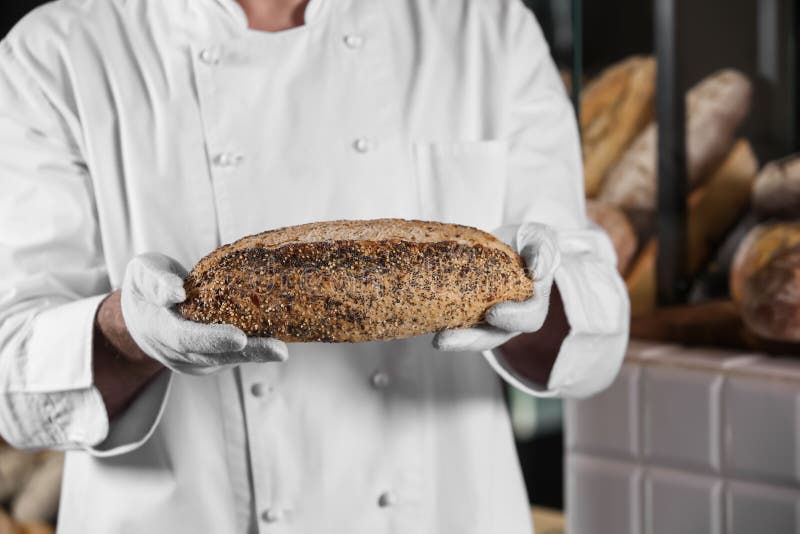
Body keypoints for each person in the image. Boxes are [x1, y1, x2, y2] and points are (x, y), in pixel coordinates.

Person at [0, 0, 630, 532]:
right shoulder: (59, 52)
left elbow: (597, 338)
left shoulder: (481, 24)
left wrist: (535, 298)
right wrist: (132, 331)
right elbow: (15, 381)